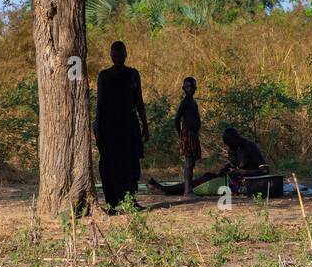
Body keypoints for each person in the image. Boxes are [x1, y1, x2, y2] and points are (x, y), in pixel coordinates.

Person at [94, 41, 150, 213]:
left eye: (120, 54)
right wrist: (97, 126)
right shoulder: (104, 75)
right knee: (109, 164)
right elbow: (100, 104)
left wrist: (144, 125)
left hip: (128, 124)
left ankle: (130, 200)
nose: (117, 57)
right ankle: (112, 203)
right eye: (114, 54)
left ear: (126, 54)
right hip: (110, 125)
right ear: (111, 56)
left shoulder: (133, 74)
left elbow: (139, 101)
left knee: (131, 163)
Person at [151, 125, 269, 195]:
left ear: (236, 138)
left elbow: (265, 170)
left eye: (230, 144)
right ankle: (169, 190)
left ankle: (168, 190)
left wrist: (242, 173)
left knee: (203, 181)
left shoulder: (249, 147)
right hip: (232, 180)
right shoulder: (234, 149)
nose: (229, 148)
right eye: (228, 145)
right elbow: (234, 164)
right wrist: (226, 168)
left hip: (246, 184)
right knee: (207, 176)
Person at [173, 77, 202, 196]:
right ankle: (187, 190)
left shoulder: (192, 101)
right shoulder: (185, 102)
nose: (190, 89)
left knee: (192, 162)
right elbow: (177, 119)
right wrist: (180, 133)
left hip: (193, 134)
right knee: (189, 162)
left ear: (195, 88)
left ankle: (188, 189)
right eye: (187, 87)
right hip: (188, 134)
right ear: (183, 89)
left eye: (192, 87)